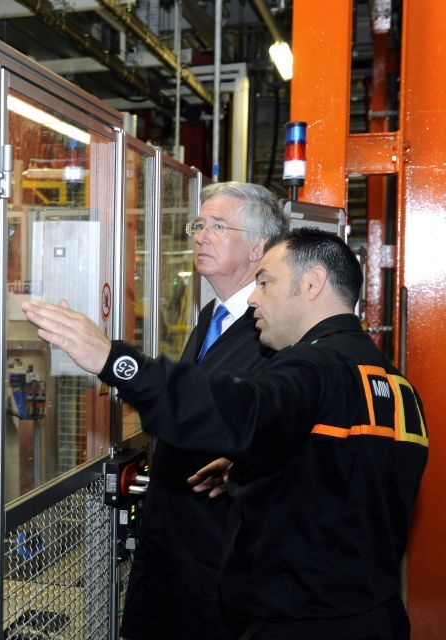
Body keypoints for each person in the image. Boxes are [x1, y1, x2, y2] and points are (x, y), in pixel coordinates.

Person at [22, 228, 427, 639]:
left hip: (299, 625)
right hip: (376, 619)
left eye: (265, 282)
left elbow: (228, 406)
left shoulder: (312, 369)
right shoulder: (399, 389)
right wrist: (250, 466)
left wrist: (113, 360)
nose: (253, 298)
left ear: (312, 284)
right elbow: (343, 481)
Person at [132, 182, 290, 639]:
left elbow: (280, 431)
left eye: (218, 226)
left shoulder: (274, 332)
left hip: (220, 556)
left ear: (259, 247)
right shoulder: (210, 317)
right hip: (171, 545)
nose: (201, 236)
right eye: (199, 225)